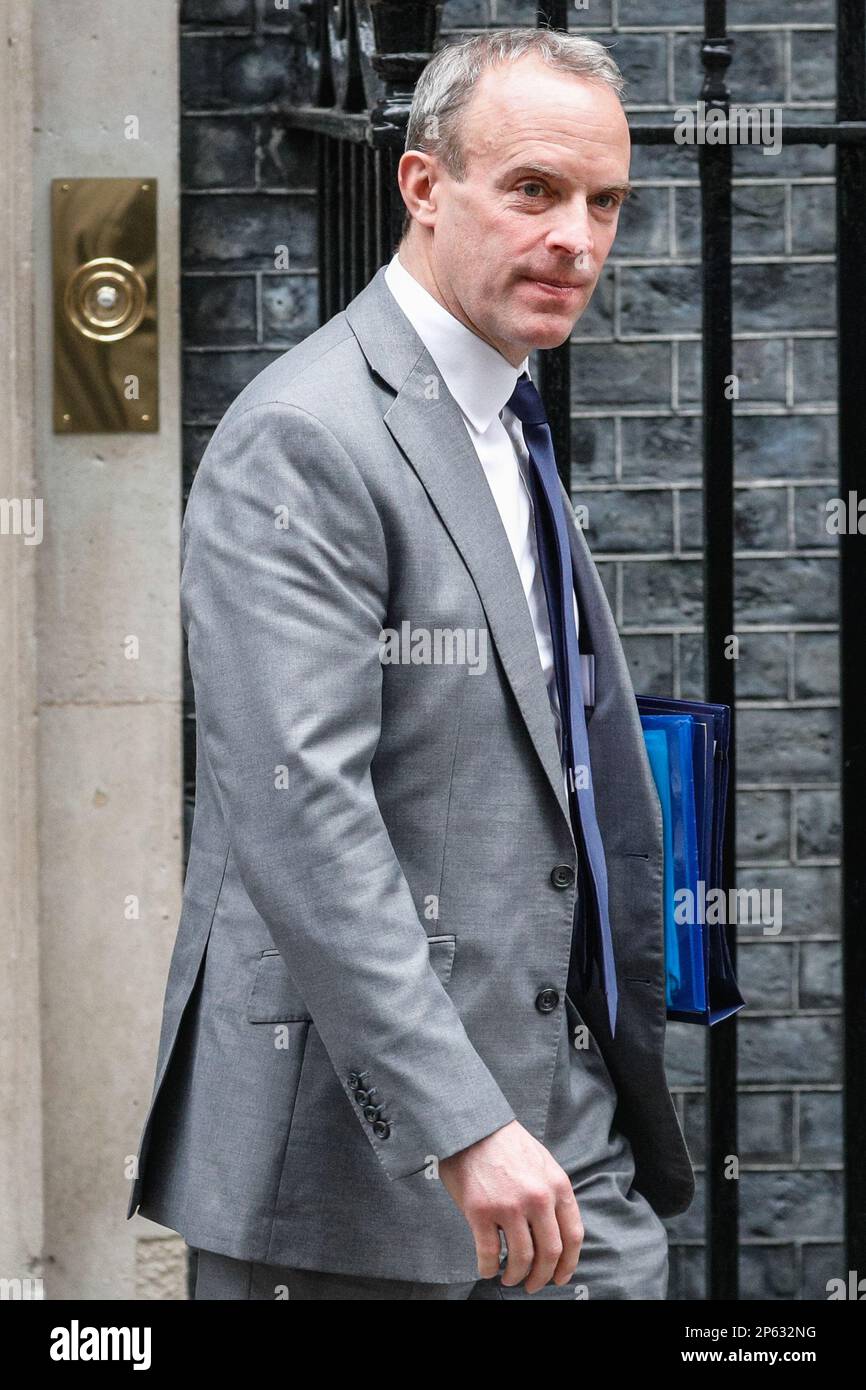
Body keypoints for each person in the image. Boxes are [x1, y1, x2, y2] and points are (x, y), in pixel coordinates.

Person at [126, 26, 694, 1302]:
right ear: (423, 186)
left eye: (604, 201)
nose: (578, 240)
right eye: (534, 191)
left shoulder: (506, 410)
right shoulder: (303, 438)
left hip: (568, 1130)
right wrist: (461, 1119)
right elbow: (301, 815)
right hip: (363, 1172)